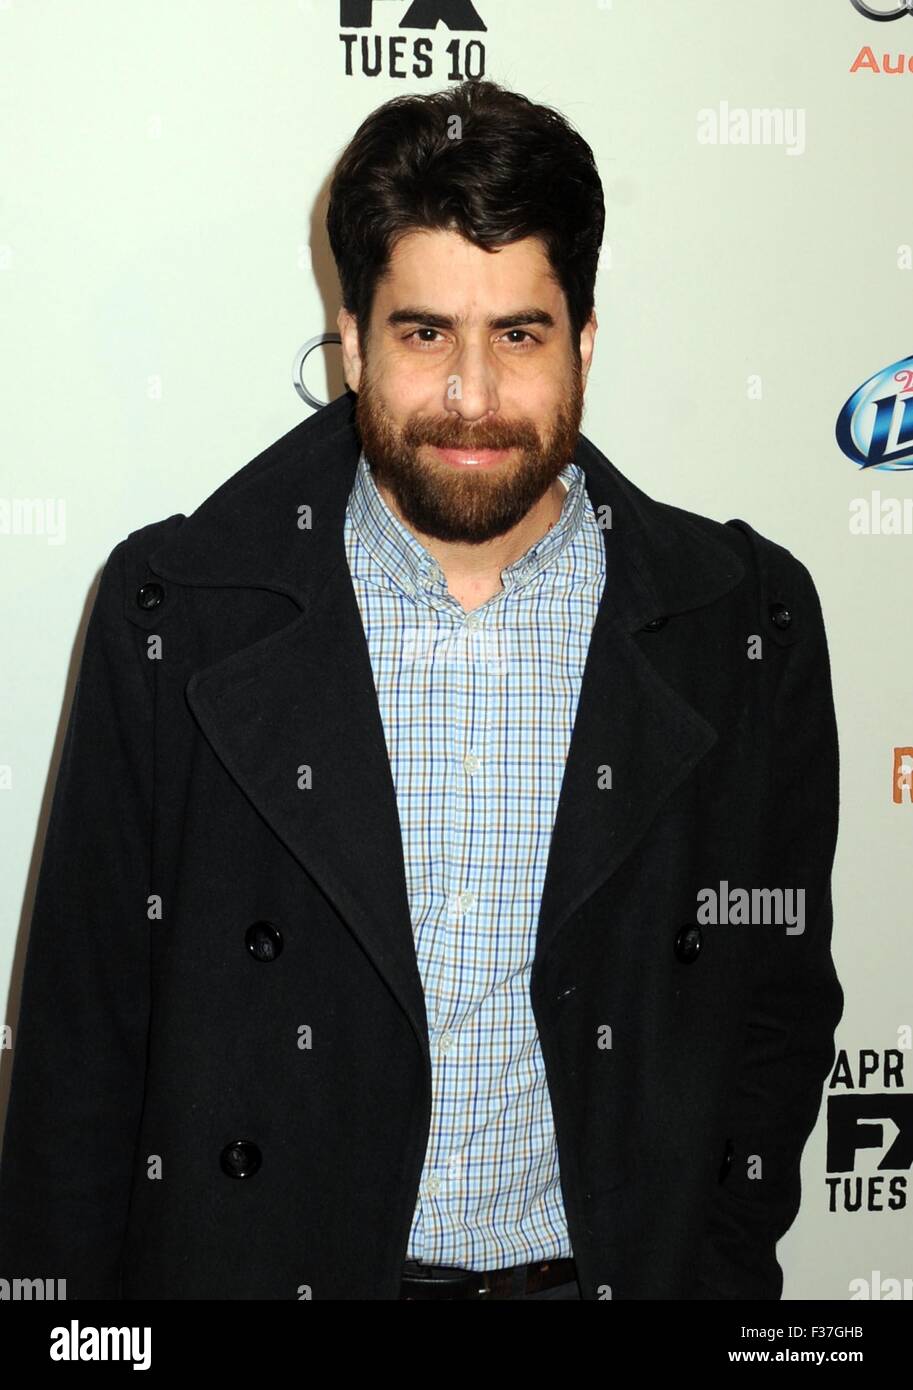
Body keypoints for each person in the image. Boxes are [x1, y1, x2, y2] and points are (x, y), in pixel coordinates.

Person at [0, 78, 842, 1300]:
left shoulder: (742, 623)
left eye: (518, 333)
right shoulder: (176, 612)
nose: (471, 397)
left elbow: (776, 1003)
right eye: (422, 332)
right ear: (350, 342)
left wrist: (712, 1259)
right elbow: (80, 1047)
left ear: (585, 339)